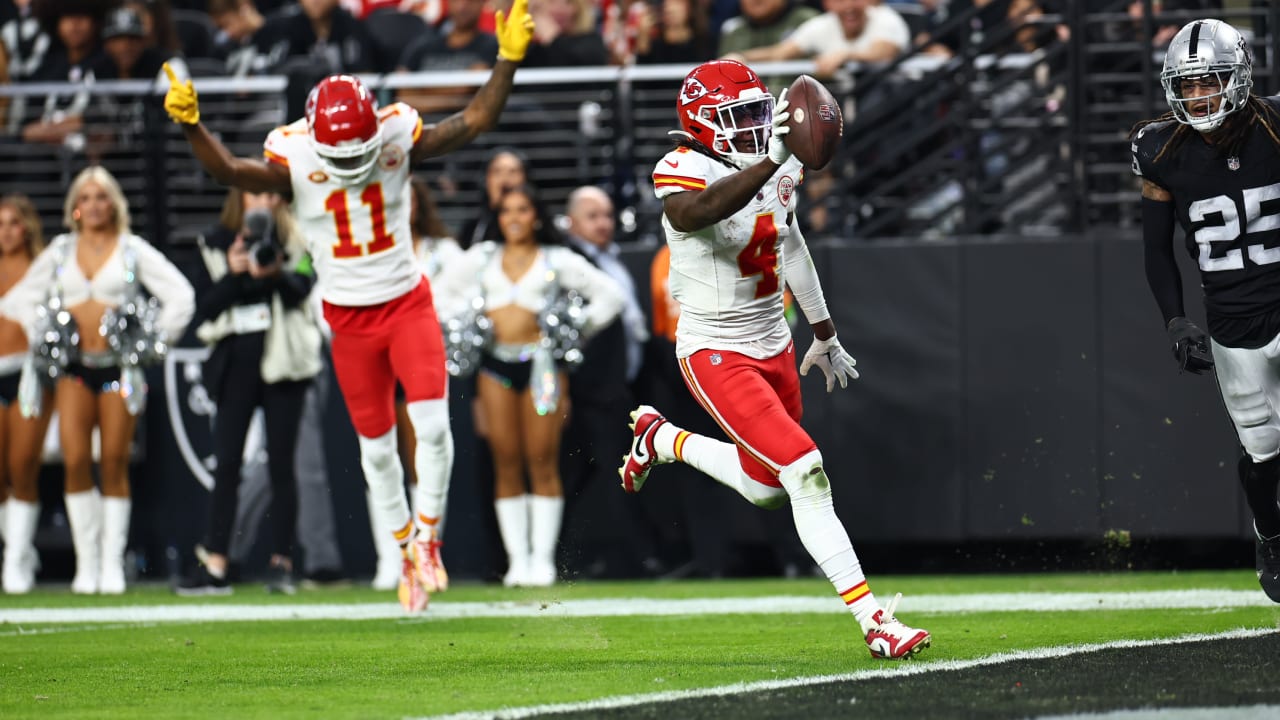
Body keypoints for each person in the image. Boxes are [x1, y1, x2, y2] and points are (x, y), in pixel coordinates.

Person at [162, 0, 535, 612]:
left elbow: (472, 122)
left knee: (436, 431)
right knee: (375, 449)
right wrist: (191, 126)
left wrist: (507, 59)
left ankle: (430, 541)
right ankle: (404, 552)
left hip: (407, 302)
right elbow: (230, 169)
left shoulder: (394, 130)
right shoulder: (295, 154)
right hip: (347, 317)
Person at [618, 59, 930, 659]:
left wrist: (825, 332)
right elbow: (696, 213)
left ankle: (661, 440)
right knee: (806, 472)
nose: (758, 126)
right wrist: (773, 160)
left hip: (774, 341)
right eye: (740, 117)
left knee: (767, 490)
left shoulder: (775, 166)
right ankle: (875, 624)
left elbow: (791, 243)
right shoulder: (680, 167)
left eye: (762, 112)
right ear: (703, 124)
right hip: (715, 347)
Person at [1130, 19, 1280, 603]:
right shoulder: (1160, 148)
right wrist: (1175, 319)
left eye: (1209, 82)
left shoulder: (1273, 124)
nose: (1198, 96)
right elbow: (1155, 247)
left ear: (1238, 77)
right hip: (1230, 326)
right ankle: (1270, 533)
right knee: (1263, 453)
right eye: (1187, 86)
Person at [1, 165, 195, 595]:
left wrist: (151, 342)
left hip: (119, 369)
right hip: (73, 370)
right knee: (74, 462)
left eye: (101, 197)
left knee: (113, 461)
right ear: (74, 207)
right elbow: (20, 300)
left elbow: (181, 295)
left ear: (114, 204)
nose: (93, 205)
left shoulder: (132, 250)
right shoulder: (58, 252)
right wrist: (44, 334)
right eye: (85, 198)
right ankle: (86, 565)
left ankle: (111, 565)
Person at [432, 184, 625, 587]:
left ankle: (542, 560)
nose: (515, 218)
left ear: (536, 215)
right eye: (507, 211)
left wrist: (576, 329)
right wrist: (467, 322)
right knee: (505, 460)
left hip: (543, 368)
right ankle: (518, 560)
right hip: (495, 367)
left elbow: (612, 296)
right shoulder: (483, 258)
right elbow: (438, 294)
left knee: (542, 459)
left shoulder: (557, 259)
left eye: (523, 209)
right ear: (499, 218)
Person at [174, 187, 321, 596]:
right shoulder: (213, 243)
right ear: (239, 197)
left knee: (282, 466)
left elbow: (304, 287)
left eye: (271, 193)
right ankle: (216, 562)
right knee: (227, 465)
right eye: (255, 192)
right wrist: (235, 274)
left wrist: (274, 273)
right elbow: (203, 307)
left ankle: (283, 562)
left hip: (284, 365)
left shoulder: (301, 240)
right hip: (235, 363)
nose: (264, 202)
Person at [368, 175, 462, 591]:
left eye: (403, 198)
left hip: (423, 357)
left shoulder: (444, 252)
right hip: (379, 361)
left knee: (426, 446)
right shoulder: (361, 250)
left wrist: (426, 322)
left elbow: (467, 295)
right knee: (382, 454)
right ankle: (392, 557)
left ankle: (425, 546)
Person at [0, 193, 52, 594]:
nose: (6, 232)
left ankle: (16, 562)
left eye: (13, 223)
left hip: (27, 375)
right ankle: (15, 548)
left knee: (22, 466)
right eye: (0, 224)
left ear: (27, 227)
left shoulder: (43, 269)